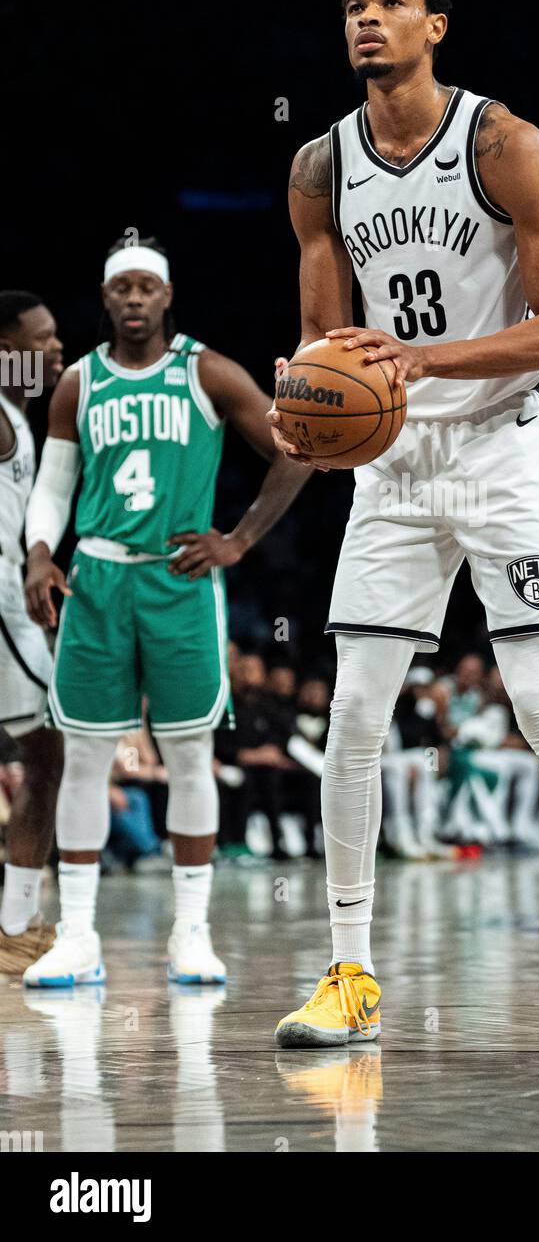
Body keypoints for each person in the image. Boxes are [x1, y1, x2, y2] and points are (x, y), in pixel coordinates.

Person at [268, 0, 539, 1049]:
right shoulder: (319, 166)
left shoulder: (503, 143)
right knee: (355, 714)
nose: (366, 17)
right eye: (353, 4)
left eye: (390, 1)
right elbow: (323, 341)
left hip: (500, 445)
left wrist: (425, 359)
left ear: (435, 26)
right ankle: (349, 973)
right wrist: (304, 403)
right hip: (396, 459)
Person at [20, 237, 311, 987]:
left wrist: (240, 539)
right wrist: (40, 553)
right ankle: (77, 936)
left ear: (168, 295)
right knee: (86, 756)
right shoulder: (78, 382)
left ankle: (191, 932)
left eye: (146, 287)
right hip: (97, 580)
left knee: (188, 754)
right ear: (106, 297)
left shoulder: (206, 371)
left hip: (179, 582)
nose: (134, 299)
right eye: (122, 288)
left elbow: (297, 446)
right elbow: (53, 484)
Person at [0, 291, 65, 974]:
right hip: (1, 609)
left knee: (46, 755)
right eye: (41, 339)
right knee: (48, 752)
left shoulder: (19, 413)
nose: (56, 347)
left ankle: (15, 924)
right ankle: (12, 927)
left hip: (13, 599)